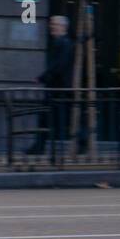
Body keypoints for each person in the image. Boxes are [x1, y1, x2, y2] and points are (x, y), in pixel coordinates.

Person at [27, 15, 75, 156]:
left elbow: (58, 65)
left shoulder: (64, 43)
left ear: (63, 27)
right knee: (46, 118)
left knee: (59, 118)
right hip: (55, 88)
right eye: (51, 24)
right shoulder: (60, 42)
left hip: (59, 89)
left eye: (55, 24)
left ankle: (48, 149)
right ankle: (39, 147)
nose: (51, 27)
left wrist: (42, 77)